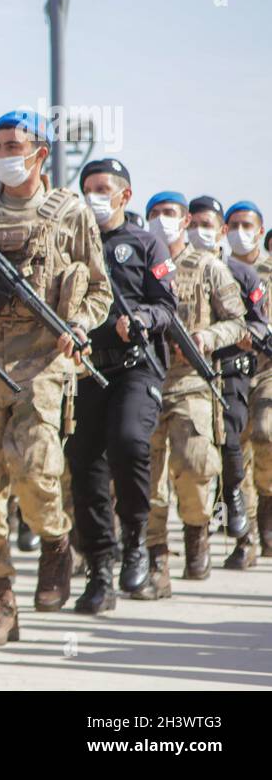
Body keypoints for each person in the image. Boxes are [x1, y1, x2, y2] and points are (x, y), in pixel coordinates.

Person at [0, 110, 111, 645]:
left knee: (36, 471)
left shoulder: (71, 213)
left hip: (44, 360)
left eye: (14, 145)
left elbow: (98, 290)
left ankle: (56, 540)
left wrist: (79, 326)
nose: (3, 155)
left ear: (41, 154)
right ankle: (0, 599)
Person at [65, 159, 176, 612]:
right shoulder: (71, 241)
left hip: (136, 366)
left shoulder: (147, 244)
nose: (94, 194)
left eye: (102, 188)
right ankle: (99, 568)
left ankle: (135, 542)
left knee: (129, 442)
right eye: (87, 187)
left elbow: (167, 307)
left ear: (124, 196)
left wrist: (144, 319)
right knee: (84, 461)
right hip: (87, 368)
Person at [141, 192, 245, 592]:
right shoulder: (143, 262)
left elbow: (239, 322)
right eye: (154, 214)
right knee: (147, 477)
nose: (160, 220)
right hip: (147, 380)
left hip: (192, 383)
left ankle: (196, 533)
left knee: (195, 466)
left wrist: (207, 336)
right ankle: (156, 561)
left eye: (169, 214)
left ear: (184, 221)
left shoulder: (208, 268)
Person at [186, 195, 264, 569]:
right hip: (189, 373)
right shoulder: (178, 268)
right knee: (201, 455)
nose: (201, 232)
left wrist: (242, 334)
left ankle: (240, 515)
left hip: (231, 369)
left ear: (221, 231)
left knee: (233, 442)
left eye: (209, 225)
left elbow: (259, 324)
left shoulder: (240, 273)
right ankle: (203, 532)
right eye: (194, 223)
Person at [225, 201, 272, 556]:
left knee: (265, 434)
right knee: (236, 453)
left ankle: (267, 510)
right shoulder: (220, 269)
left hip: (268, 370)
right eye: (235, 224)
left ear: (260, 230)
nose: (241, 231)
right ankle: (247, 536)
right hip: (231, 369)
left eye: (248, 225)